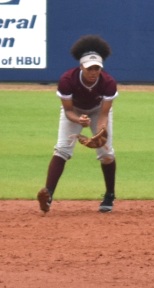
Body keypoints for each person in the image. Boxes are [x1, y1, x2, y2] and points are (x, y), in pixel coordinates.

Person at [37, 35, 119, 214]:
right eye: (90, 68)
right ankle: (48, 195)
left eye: (97, 68)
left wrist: (101, 132)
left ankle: (109, 195)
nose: (93, 72)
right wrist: (78, 120)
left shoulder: (108, 83)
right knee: (62, 149)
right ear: (81, 66)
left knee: (106, 153)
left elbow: (104, 112)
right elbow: (68, 111)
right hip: (74, 109)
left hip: (98, 110)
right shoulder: (67, 80)